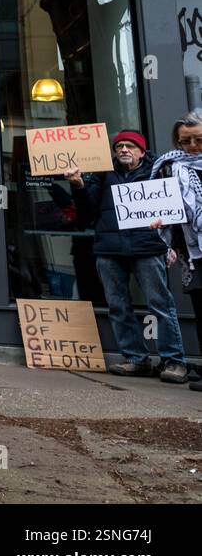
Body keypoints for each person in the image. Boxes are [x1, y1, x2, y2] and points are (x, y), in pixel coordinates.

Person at [65, 130, 186, 382]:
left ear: (142, 151)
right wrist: (78, 185)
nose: (123, 150)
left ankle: (174, 362)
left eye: (130, 146)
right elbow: (86, 212)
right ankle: (135, 359)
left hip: (147, 247)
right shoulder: (103, 173)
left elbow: (174, 213)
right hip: (110, 249)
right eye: (119, 146)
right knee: (118, 306)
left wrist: (172, 244)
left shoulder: (158, 172)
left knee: (161, 305)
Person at [150, 111, 202, 390]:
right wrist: (162, 221)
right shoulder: (169, 166)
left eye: (198, 140)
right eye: (185, 141)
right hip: (192, 255)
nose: (192, 146)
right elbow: (169, 206)